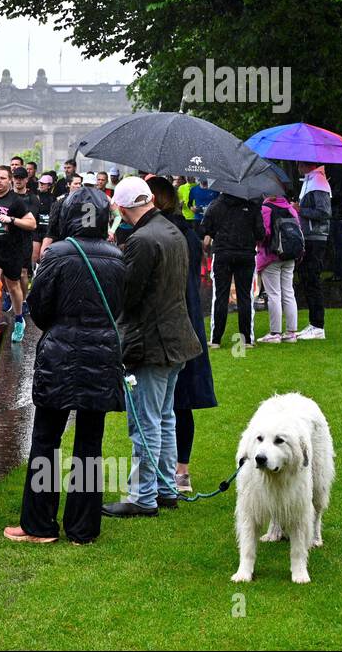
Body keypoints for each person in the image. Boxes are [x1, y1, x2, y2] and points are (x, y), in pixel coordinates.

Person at [4, 185, 124, 544]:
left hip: (61, 351)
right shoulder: (117, 257)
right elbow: (118, 307)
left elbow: (38, 308)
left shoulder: (57, 254)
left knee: (46, 438)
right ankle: (82, 528)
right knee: (90, 440)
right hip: (101, 352)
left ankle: (39, 525)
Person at [102, 176, 202, 518]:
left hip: (152, 340)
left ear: (125, 207)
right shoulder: (173, 230)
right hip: (176, 337)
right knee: (164, 417)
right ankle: (165, 488)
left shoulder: (143, 239)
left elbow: (129, 294)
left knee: (144, 423)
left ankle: (143, 497)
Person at [146, 177, 217, 497]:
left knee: (166, 401)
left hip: (171, 320)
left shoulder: (165, 234)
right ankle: (178, 470)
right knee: (178, 399)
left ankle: (168, 472)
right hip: (185, 319)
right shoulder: (183, 233)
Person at [0, 166, 37, 342]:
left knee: (13, 287)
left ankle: (19, 319)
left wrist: (11, 220)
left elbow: (32, 224)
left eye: (3, 178)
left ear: (9, 180)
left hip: (12, 250)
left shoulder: (16, 201)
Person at [199, 191, 264, 348]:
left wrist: (217, 234)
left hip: (222, 253)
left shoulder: (216, 205)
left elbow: (205, 228)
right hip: (246, 254)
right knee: (245, 296)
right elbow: (261, 233)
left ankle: (216, 340)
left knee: (220, 296)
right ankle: (246, 339)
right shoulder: (252, 206)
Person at [255, 188, 302, 344]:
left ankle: (275, 333)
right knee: (288, 292)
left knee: (274, 295)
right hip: (289, 255)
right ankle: (291, 332)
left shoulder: (265, 209)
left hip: (271, 256)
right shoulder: (290, 208)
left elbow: (264, 233)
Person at [294, 161, 332, 339]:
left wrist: (301, 210)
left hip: (315, 237)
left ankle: (318, 325)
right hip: (309, 236)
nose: (297, 165)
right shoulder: (311, 181)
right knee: (308, 280)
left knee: (312, 280)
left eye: (299, 162)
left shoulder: (318, 183)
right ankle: (314, 323)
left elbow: (324, 212)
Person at [31, 172, 57, 271]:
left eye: (43, 183)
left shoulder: (54, 199)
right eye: (40, 183)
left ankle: (44, 274)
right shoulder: (34, 197)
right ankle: (33, 277)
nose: (41, 185)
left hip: (48, 231)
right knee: (34, 257)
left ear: (49, 186)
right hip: (37, 229)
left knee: (43, 255)